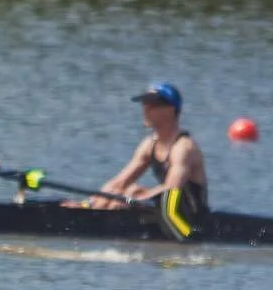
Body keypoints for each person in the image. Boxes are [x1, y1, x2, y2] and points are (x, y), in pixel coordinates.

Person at [89, 82, 208, 213]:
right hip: (164, 212)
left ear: (171, 109)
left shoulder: (184, 148)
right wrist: (88, 203)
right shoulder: (149, 144)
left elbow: (171, 189)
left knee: (129, 195)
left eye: (152, 104)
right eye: (144, 103)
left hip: (189, 220)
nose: (145, 109)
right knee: (119, 192)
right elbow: (119, 183)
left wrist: (136, 197)